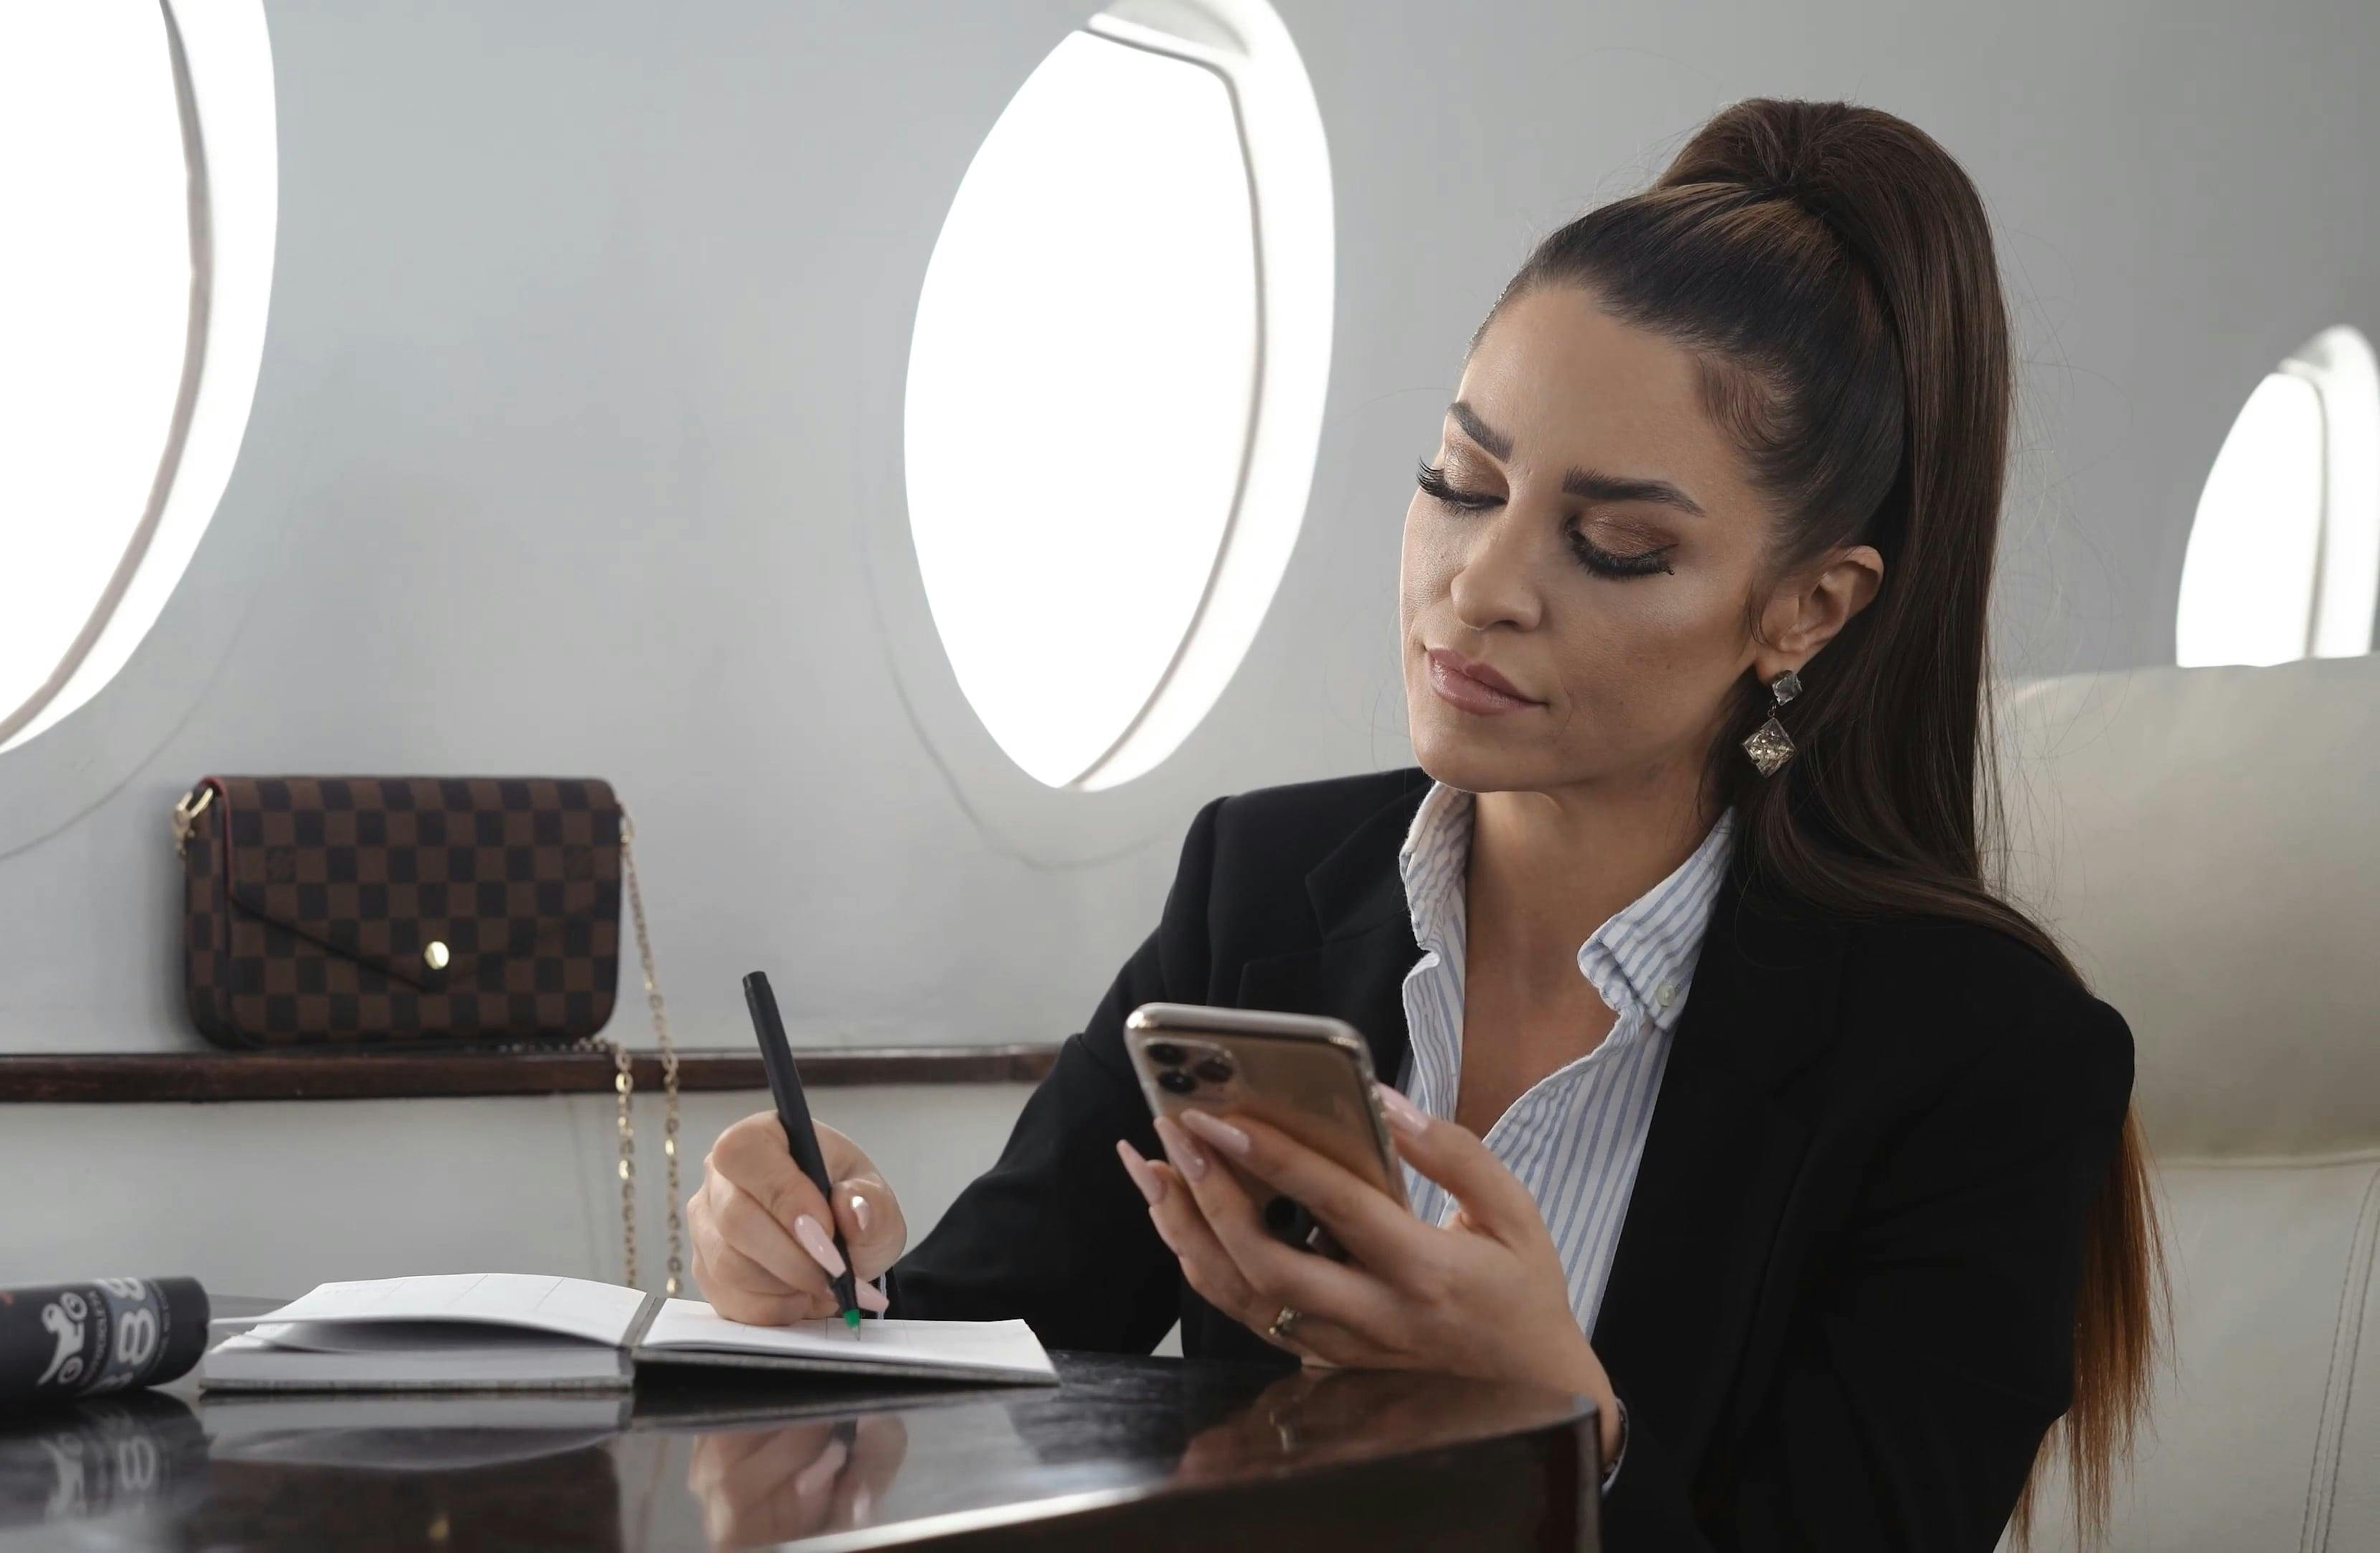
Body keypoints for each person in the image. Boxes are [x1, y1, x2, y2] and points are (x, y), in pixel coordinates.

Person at [686, 96, 2160, 1549]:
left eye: (1615, 546)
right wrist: (806, 1294)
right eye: (1461, 482)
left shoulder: (1984, 1056)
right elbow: (975, 1350)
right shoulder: (1258, 889)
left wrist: (1564, 1426)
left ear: (1807, 608)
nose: (1480, 583)